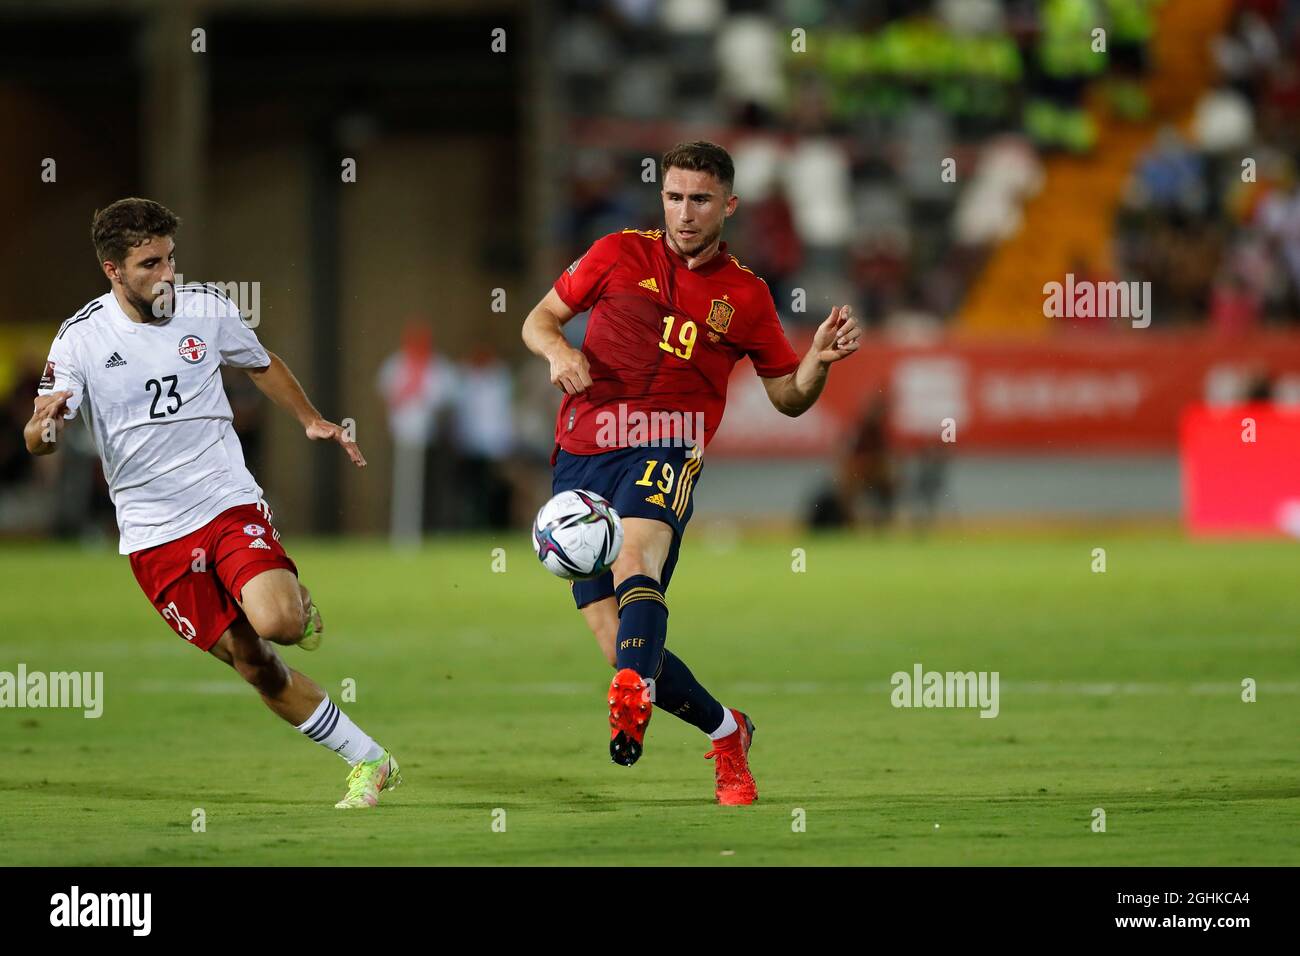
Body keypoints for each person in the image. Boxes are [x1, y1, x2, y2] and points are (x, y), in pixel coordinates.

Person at [23, 198, 400, 809]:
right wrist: (46, 429)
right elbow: (37, 439)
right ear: (112, 271)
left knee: (278, 623)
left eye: (171, 258)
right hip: (152, 535)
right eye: (150, 264)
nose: (167, 274)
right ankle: (371, 761)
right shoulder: (82, 339)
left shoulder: (206, 309)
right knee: (256, 663)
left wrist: (310, 419)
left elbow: (260, 363)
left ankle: (291, 599)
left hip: (224, 499)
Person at [521, 142, 861, 804]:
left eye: (700, 199)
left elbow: (788, 398)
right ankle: (727, 731)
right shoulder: (616, 252)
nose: (684, 212)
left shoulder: (747, 296)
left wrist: (815, 361)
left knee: (635, 564)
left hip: (667, 447)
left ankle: (634, 694)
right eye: (674, 197)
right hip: (582, 451)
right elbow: (539, 319)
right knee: (615, 639)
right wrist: (557, 349)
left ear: (728, 206)